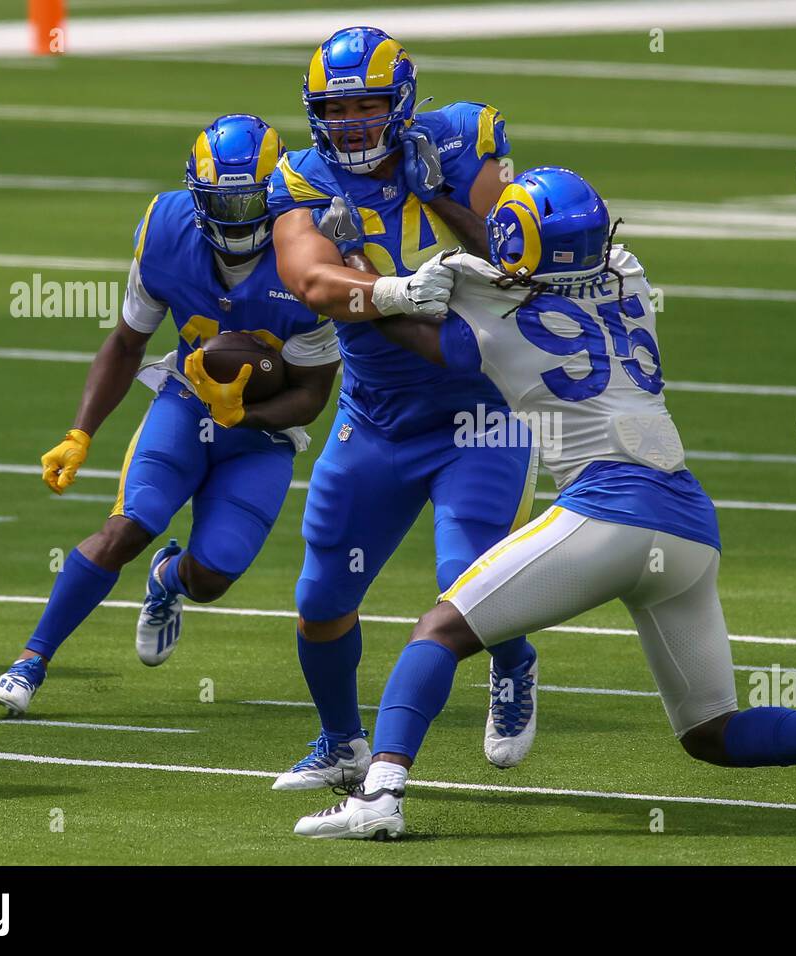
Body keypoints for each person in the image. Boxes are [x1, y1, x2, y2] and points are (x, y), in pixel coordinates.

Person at [293, 167, 796, 840]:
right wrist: (447, 200)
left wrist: (355, 257)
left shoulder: (495, 315)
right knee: (709, 728)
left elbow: (412, 325)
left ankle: (380, 795)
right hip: (687, 525)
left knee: (438, 632)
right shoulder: (628, 272)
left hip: (608, 510)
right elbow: (516, 256)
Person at [0, 114, 340, 715]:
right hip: (183, 399)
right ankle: (29, 662)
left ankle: (168, 581)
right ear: (196, 197)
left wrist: (244, 415)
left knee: (213, 577)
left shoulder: (313, 250)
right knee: (127, 526)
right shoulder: (167, 231)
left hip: (263, 434)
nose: (235, 217)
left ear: (276, 194)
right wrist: (80, 432)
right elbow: (127, 342)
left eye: (249, 201)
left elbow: (311, 394)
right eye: (219, 203)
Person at [266, 26, 543, 790]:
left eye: (366, 105)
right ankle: (341, 744)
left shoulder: (460, 141)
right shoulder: (303, 176)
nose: (351, 122)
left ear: (402, 103)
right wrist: (393, 292)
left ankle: (514, 660)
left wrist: (441, 196)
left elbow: (515, 259)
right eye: (337, 107)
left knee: (466, 585)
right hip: (378, 413)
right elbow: (311, 281)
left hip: (479, 412)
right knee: (321, 596)